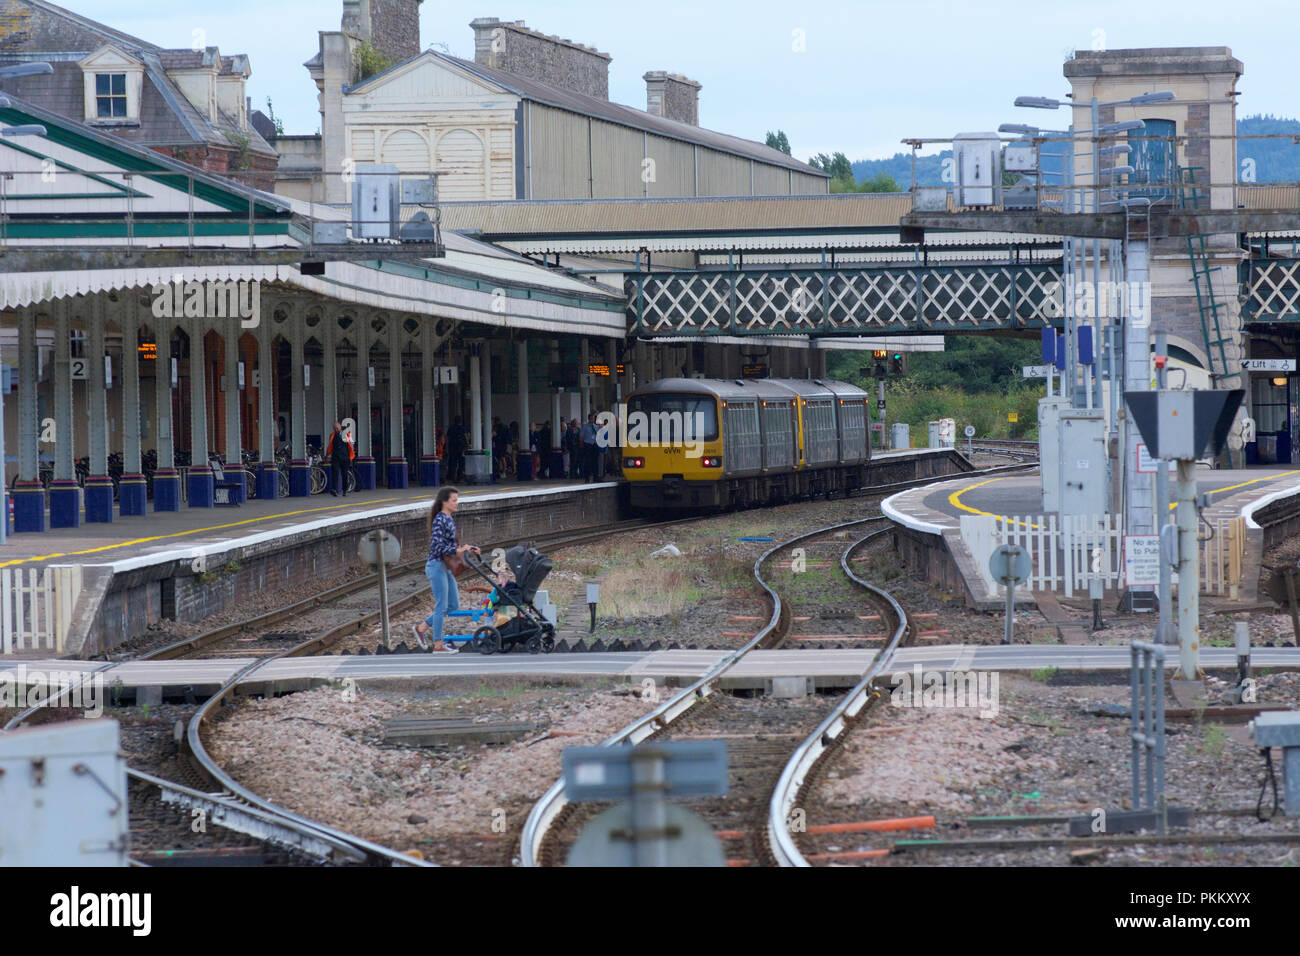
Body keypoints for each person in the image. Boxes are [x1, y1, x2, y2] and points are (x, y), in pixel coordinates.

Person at [413, 486, 479, 652]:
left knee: (453, 604)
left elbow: (452, 546)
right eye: (454, 500)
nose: (457, 503)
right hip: (436, 566)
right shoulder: (440, 519)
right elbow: (436, 545)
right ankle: (438, 645)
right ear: (444, 502)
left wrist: (469, 548)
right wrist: (457, 550)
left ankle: (421, 628)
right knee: (441, 605)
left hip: (446, 567)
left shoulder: (449, 519)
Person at [325, 421, 354, 496]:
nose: (336, 430)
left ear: (340, 427)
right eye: (334, 428)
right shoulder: (332, 435)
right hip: (335, 457)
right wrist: (326, 455)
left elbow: (351, 445)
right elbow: (330, 446)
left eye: (337, 428)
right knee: (335, 473)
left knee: (344, 474)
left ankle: (345, 491)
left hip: (345, 457)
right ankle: (335, 489)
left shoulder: (347, 434)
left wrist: (351, 456)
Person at [446, 417, 468, 483]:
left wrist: (447, 447)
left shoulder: (451, 428)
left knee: (452, 462)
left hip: (452, 447)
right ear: (460, 421)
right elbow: (466, 436)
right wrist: (467, 445)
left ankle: (452, 477)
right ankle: (460, 477)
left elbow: (447, 438)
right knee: (461, 463)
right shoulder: (463, 428)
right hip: (461, 447)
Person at [581, 412, 601, 482]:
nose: (592, 419)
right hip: (588, 445)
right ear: (589, 419)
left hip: (595, 445)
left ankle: (596, 477)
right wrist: (582, 445)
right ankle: (587, 477)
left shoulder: (596, 427)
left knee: (595, 461)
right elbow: (581, 437)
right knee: (588, 462)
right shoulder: (585, 427)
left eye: (593, 418)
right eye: (591, 418)